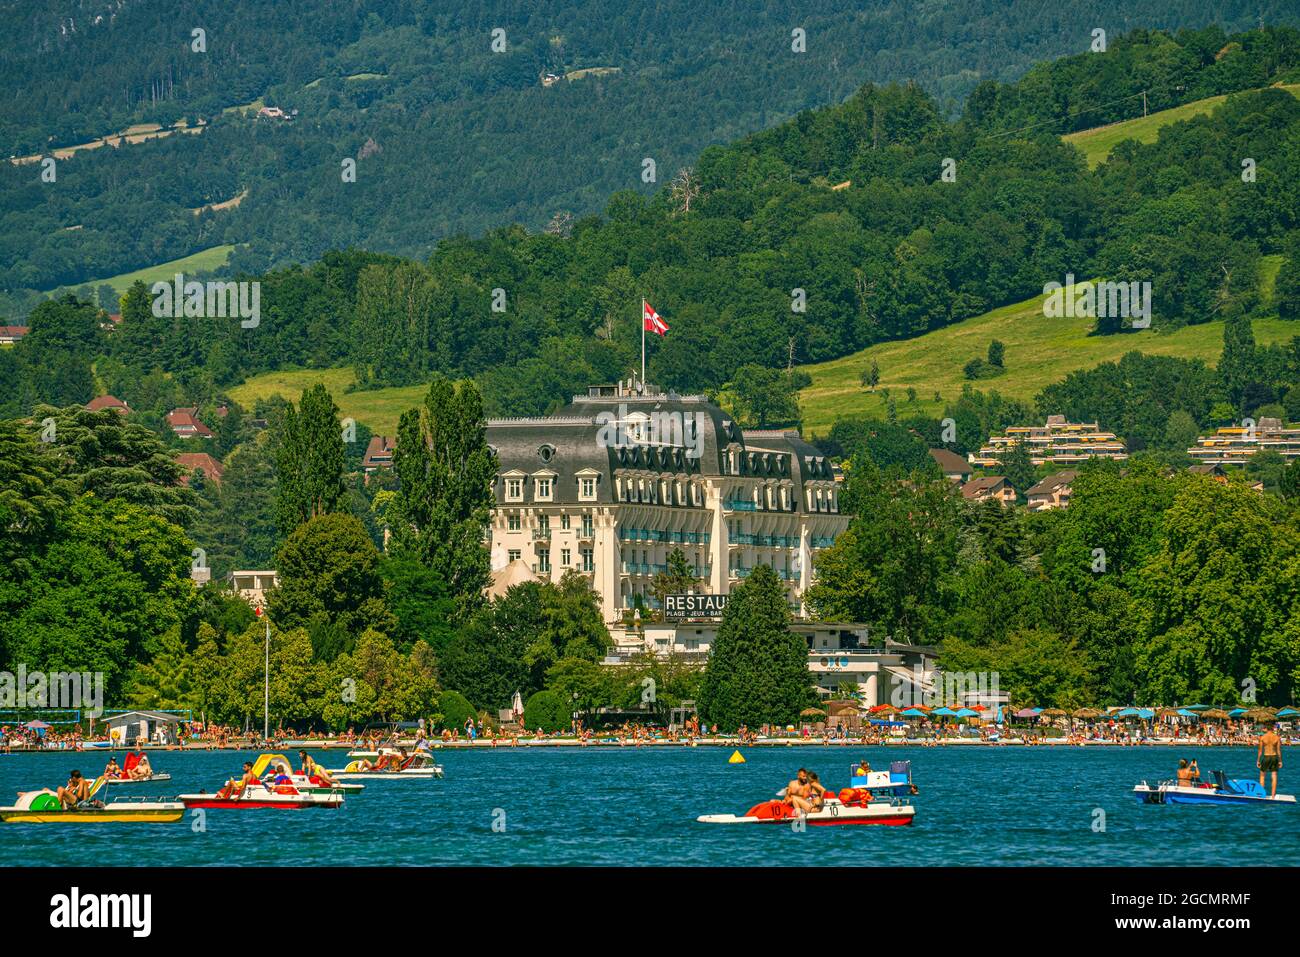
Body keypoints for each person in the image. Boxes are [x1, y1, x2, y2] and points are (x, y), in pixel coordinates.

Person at [1259, 724, 1283, 798]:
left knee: (1262, 776)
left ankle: (1262, 795)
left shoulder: (1262, 737)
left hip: (1266, 757)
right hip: (1274, 757)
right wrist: (1280, 761)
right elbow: (1278, 751)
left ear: (1266, 729)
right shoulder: (1277, 738)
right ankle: (1273, 796)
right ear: (1273, 729)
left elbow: (1260, 751)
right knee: (1274, 776)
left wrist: (1258, 761)